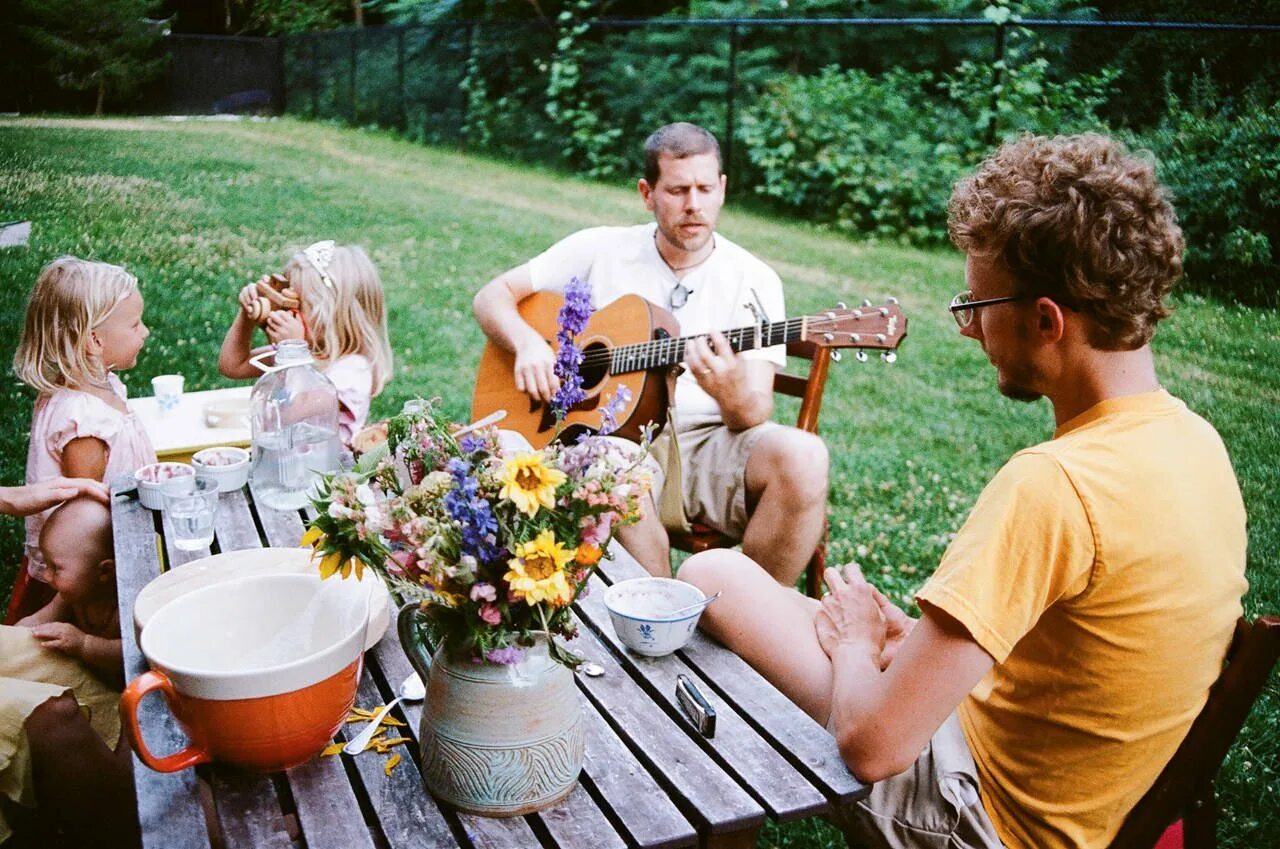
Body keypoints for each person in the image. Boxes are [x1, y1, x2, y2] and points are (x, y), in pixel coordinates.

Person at [679, 133, 1247, 849]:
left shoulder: (1054, 485)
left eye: (979, 303)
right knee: (729, 581)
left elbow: (871, 748)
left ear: (1047, 320)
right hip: (1071, 789)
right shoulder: (1196, 442)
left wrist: (857, 644)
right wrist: (911, 641)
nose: (971, 325)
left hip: (981, 819)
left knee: (709, 578)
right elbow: (1085, 652)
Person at [472, 122, 828, 584]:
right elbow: (492, 296)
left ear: (722, 189)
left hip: (709, 443)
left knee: (805, 454)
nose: (694, 205)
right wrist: (525, 346)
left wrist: (729, 391)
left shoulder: (754, 279)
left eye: (705, 188)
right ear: (647, 193)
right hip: (615, 442)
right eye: (678, 190)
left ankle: (752, 620)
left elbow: (753, 412)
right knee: (613, 466)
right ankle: (657, 618)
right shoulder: (600, 249)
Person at [13, 257, 156, 594]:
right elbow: (80, 519)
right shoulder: (85, 422)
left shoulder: (101, 385)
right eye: (135, 324)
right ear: (94, 341)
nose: (146, 331)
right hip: (84, 577)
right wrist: (67, 604)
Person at [1, 497, 137, 849]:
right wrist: (18, 635)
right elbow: (37, 623)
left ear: (104, 571)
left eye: (56, 568)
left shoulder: (123, 604)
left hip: (130, 690)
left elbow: (134, 656)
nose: (47, 576)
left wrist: (85, 645)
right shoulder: (72, 594)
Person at [218, 241, 393, 446]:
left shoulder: (352, 369)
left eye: (299, 304)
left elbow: (292, 413)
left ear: (335, 315)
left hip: (326, 474)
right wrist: (246, 316)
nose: (287, 310)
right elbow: (233, 365)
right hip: (286, 466)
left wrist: (293, 351)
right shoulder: (303, 353)